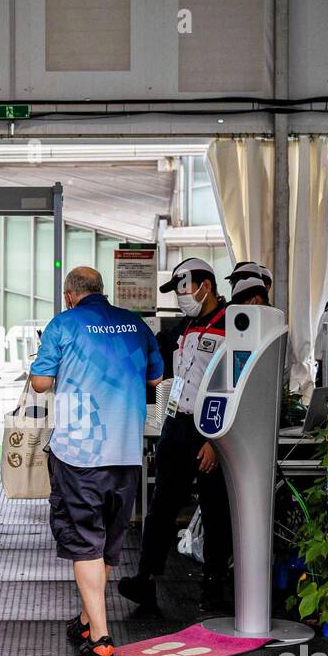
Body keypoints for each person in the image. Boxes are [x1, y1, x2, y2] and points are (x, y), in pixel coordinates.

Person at [30, 266, 164, 656]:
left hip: (79, 452)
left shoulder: (64, 324)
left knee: (85, 541)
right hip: (125, 450)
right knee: (106, 544)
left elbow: (39, 383)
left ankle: (102, 638)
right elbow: (156, 379)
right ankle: (89, 620)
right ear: (101, 291)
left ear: (70, 294)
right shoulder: (136, 325)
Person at [120, 258, 234, 616]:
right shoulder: (185, 327)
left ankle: (214, 588)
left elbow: (236, 388)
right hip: (177, 425)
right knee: (160, 508)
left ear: (206, 286)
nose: (182, 297)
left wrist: (217, 441)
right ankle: (145, 579)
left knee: (216, 512)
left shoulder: (233, 326)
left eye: (184, 288)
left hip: (211, 429)